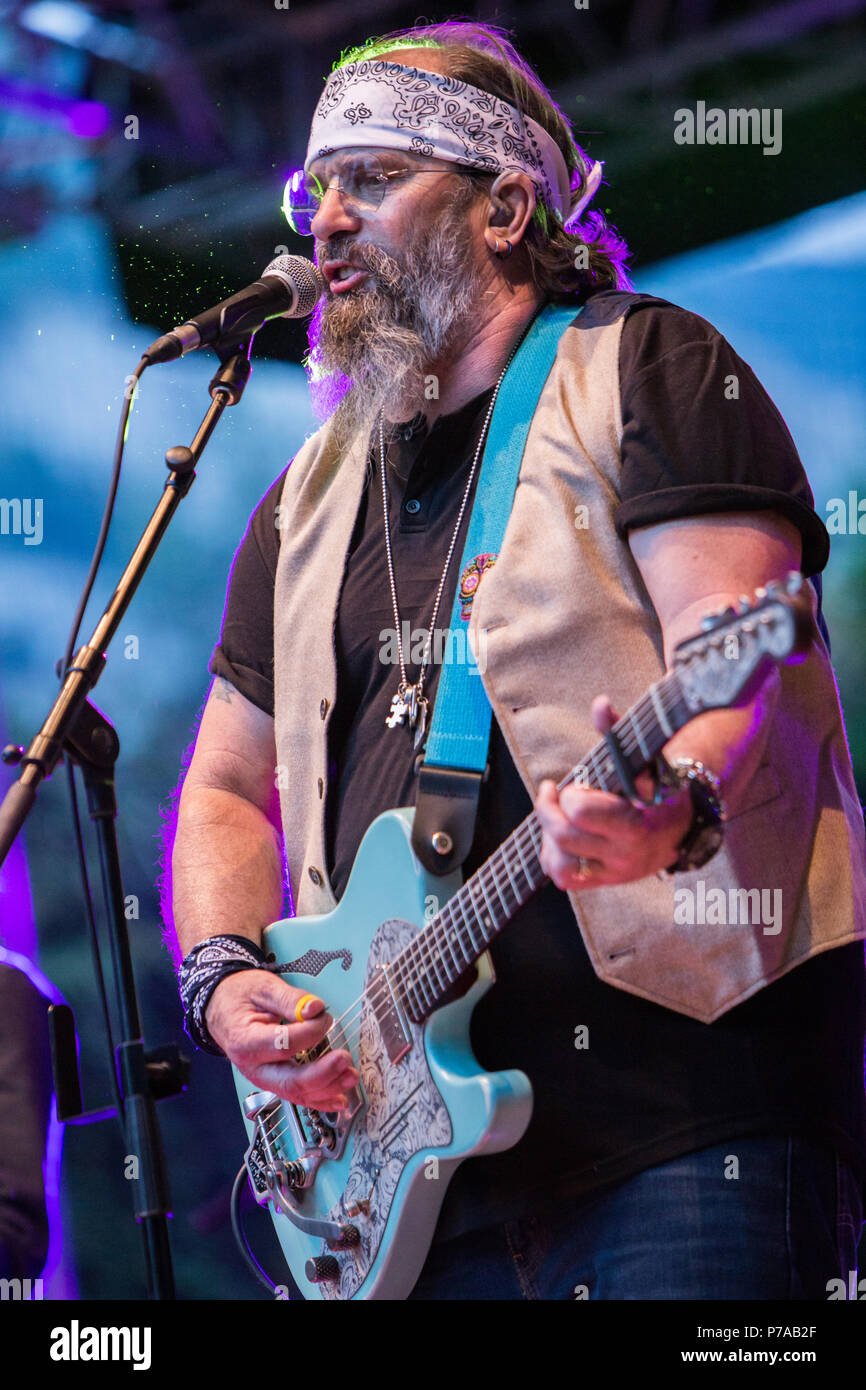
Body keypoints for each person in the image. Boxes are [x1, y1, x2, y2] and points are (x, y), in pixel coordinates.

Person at [167, 20, 866, 1300]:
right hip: (401, 1181)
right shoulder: (301, 497)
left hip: (681, 1126)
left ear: (504, 207)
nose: (323, 222)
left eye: (370, 180)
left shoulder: (649, 366)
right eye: (312, 187)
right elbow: (223, 782)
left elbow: (737, 650)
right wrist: (222, 980)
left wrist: (679, 805)